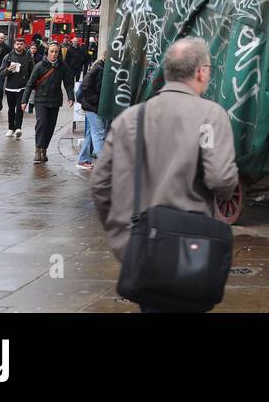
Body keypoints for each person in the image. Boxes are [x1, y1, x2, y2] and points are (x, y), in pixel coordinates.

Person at [91, 37, 239, 313]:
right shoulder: (210, 115)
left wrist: (122, 233)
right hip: (190, 247)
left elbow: (100, 185)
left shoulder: (130, 118)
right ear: (201, 72)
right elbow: (221, 179)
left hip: (142, 246)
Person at [21, 43, 74, 164]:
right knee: (42, 123)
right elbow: (30, 84)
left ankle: (44, 149)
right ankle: (38, 149)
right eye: (51, 51)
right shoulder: (39, 66)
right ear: (47, 52)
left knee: (50, 127)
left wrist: (71, 97)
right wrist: (24, 101)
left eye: (56, 52)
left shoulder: (63, 67)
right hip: (41, 100)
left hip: (55, 100)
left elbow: (68, 83)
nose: (54, 54)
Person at [76, 59, 106, 171]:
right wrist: (96, 101)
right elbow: (85, 87)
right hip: (92, 106)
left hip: (92, 106)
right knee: (99, 133)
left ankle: (83, 160)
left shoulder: (100, 68)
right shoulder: (98, 69)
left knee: (91, 133)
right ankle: (103, 164)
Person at [1, 37, 33, 138]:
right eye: (17, 44)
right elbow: (1, 72)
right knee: (11, 109)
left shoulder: (28, 57)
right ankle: (11, 128)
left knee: (20, 108)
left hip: (23, 87)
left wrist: (31, 85)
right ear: (14, 45)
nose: (19, 46)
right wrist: (8, 69)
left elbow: (33, 72)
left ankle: (18, 128)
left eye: (21, 44)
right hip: (10, 87)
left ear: (24, 45)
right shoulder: (8, 57)